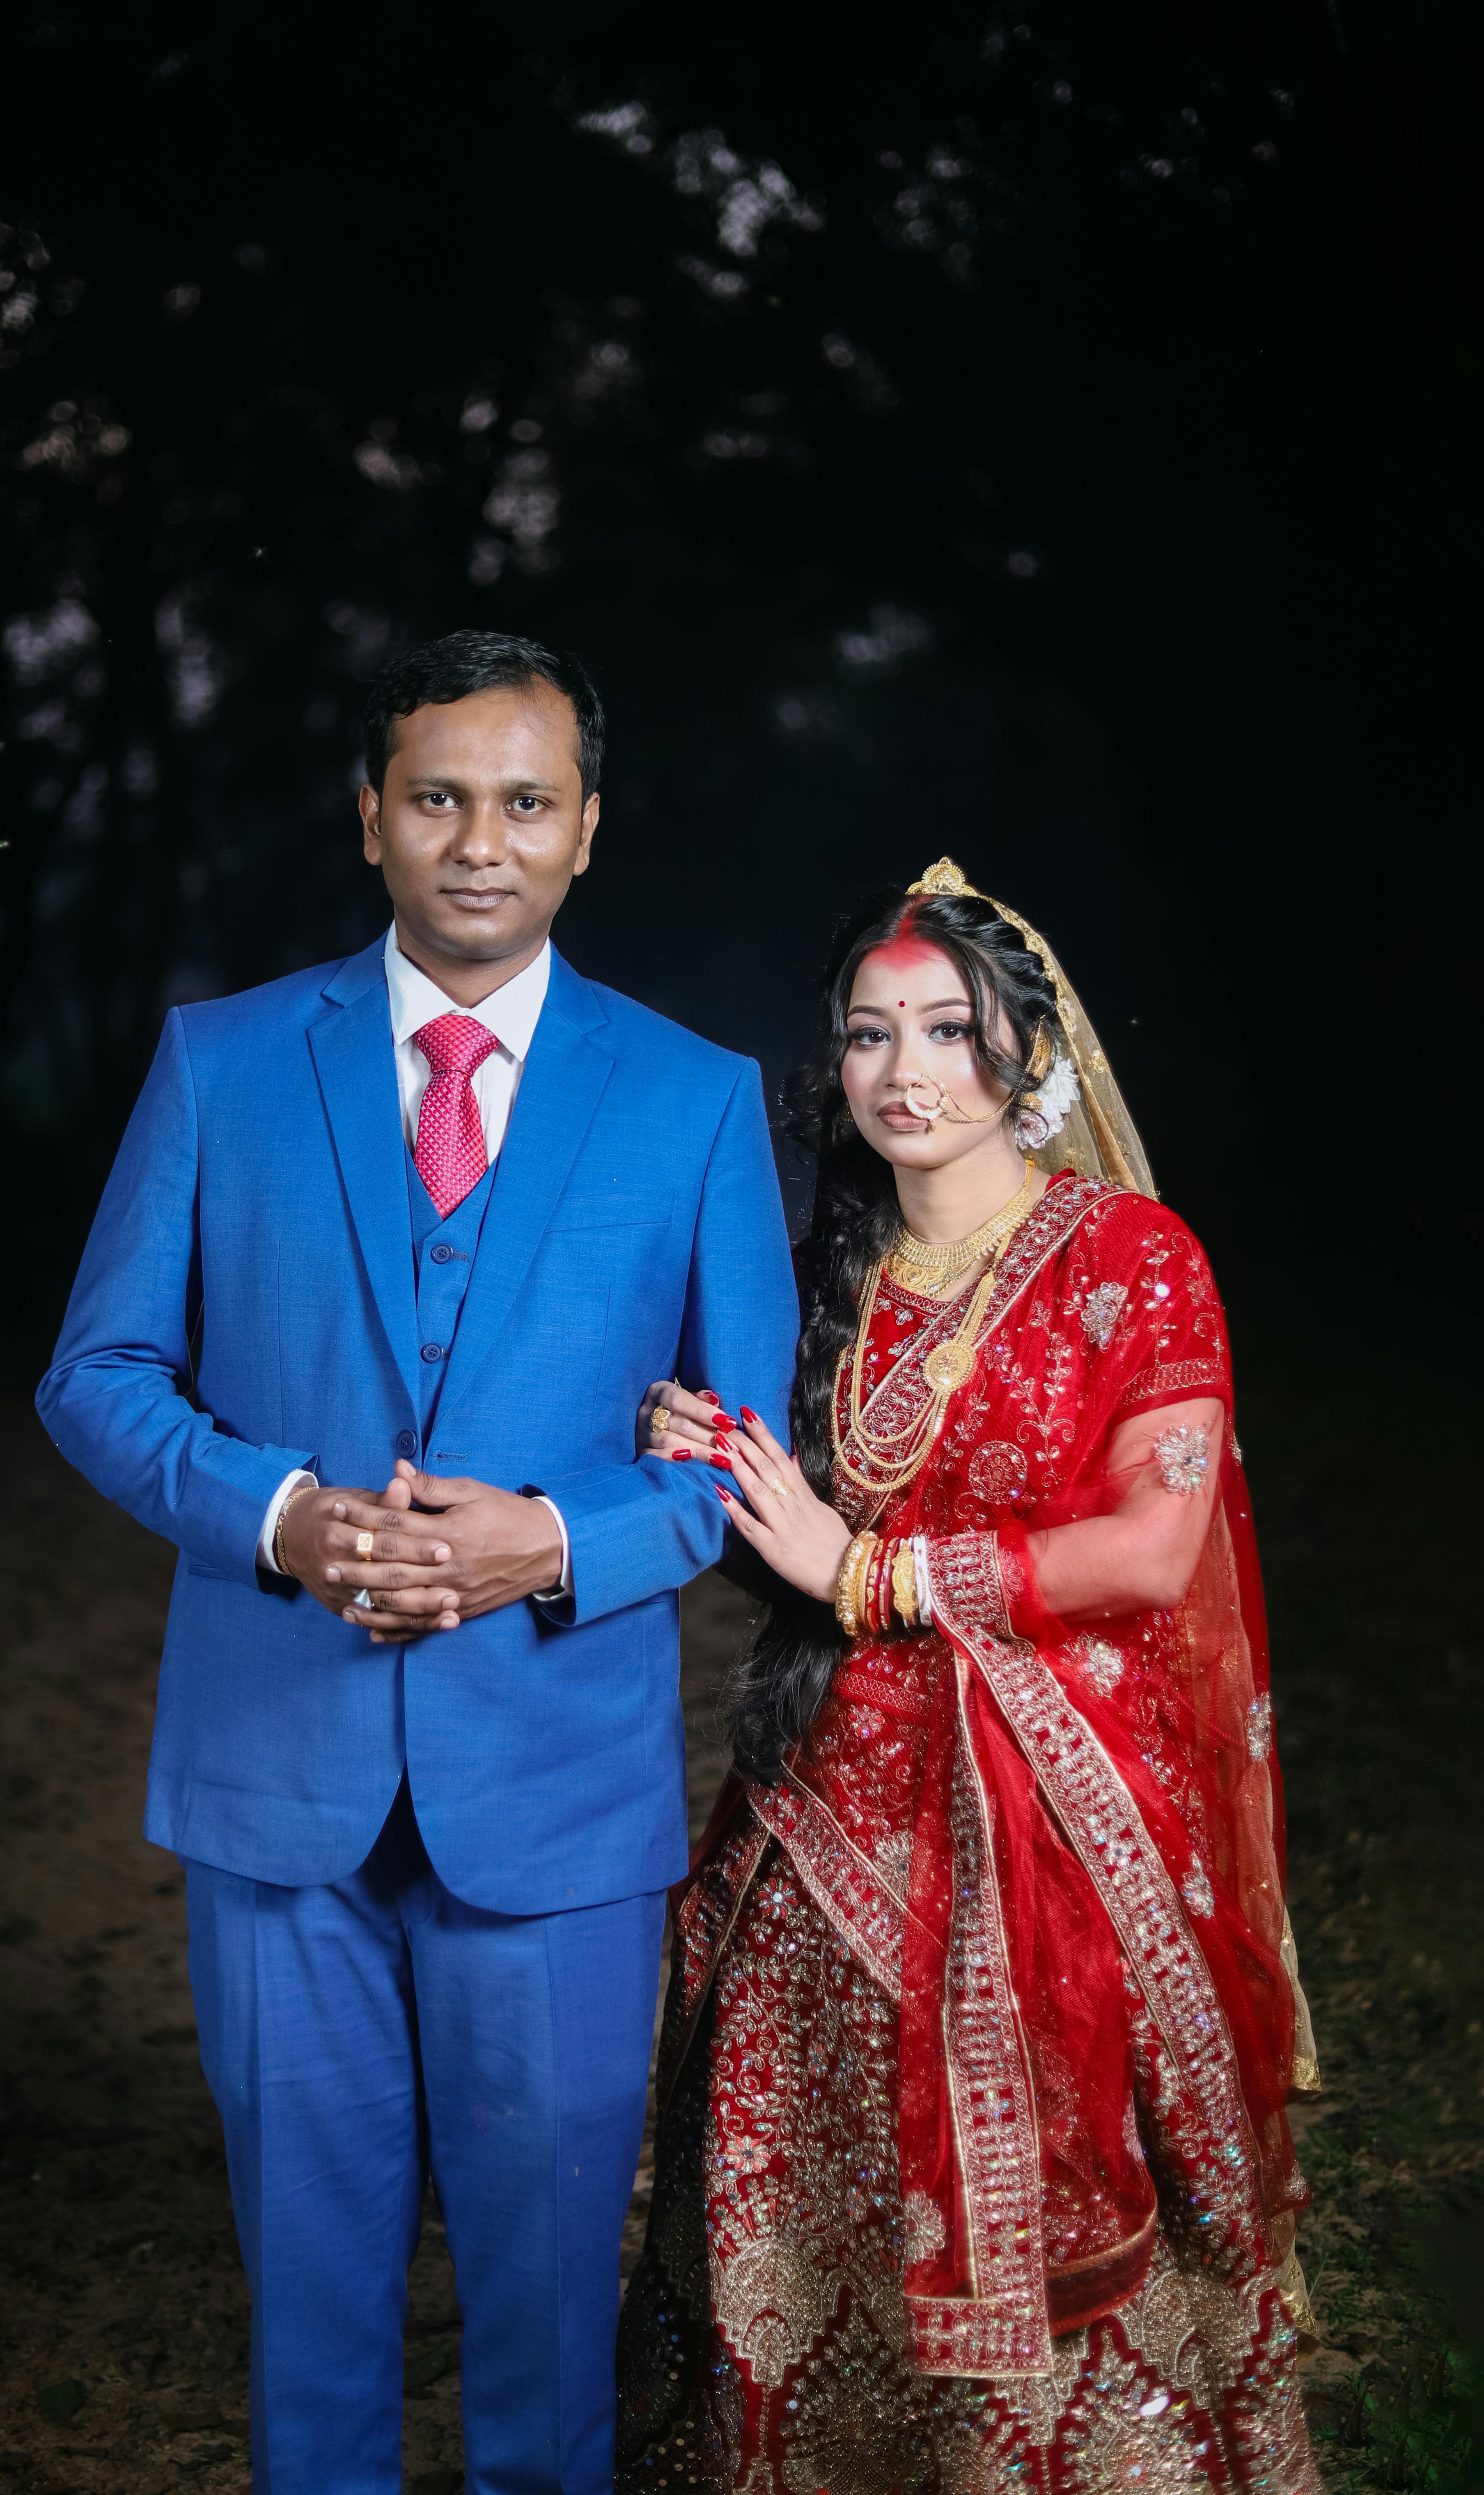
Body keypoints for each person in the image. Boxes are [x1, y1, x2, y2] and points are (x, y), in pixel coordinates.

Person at [35, 631, 798, 2495]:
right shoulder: (222, 1063)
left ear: (587, 830)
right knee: (309, 2327)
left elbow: (739, 1454)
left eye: (526, 802)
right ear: (369, 816)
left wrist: (557, 1537)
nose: (480, 841)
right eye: (438, 797)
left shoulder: (694, 1096)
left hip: (554, 1786)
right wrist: (281, 1516)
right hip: (274, 1771)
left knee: (548, 2329)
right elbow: (96, 1375)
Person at [618, 858, 1321, 2492]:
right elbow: (784, 1541)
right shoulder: (818, 1273)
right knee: (793, 2180)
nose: (905, 1070)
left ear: (1031, 1054)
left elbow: (1154, 1546)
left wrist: (871, 1575)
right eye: (870, 1034)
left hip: (1049, 1831)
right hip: (811, 1818)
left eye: (949, 1029)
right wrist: (698, 1456)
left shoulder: (1131, 1258)